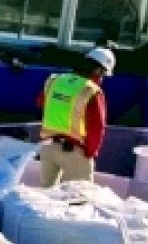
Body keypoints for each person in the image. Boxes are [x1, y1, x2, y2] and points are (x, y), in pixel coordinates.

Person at [36, 47, 112, 186]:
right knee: (77, 201)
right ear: (98, 71)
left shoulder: (54, 80)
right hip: (76, 152)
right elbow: (97, 128)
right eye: (103, 75)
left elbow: (41, 103)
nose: (102, 79)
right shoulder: (92, 91)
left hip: (48, 148)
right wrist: (90, 153)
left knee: (45, 199)